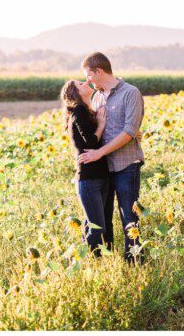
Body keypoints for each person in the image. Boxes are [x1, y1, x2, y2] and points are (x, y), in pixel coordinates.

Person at [77, 52, 145, 263]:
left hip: (126, 165)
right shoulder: (97, 97)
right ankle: (107, 261)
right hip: (103, 169)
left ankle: (135, 262)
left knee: (129, 217)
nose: (87, 79)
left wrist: (99, 153)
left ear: (99, 71)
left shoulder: (130, 93)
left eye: (88, 74)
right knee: (103, 220)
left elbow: (129, 131)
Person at [61, 80, 110, 256]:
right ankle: (82, 260)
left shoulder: (87, 111)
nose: (86, 82)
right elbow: (90, 142)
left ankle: (92, 263)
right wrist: (102, 124)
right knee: (98, 228)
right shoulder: (79, 110)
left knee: (91, 225)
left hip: (100, 176)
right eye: (80, 83)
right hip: (89, 179)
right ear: (76, 93)